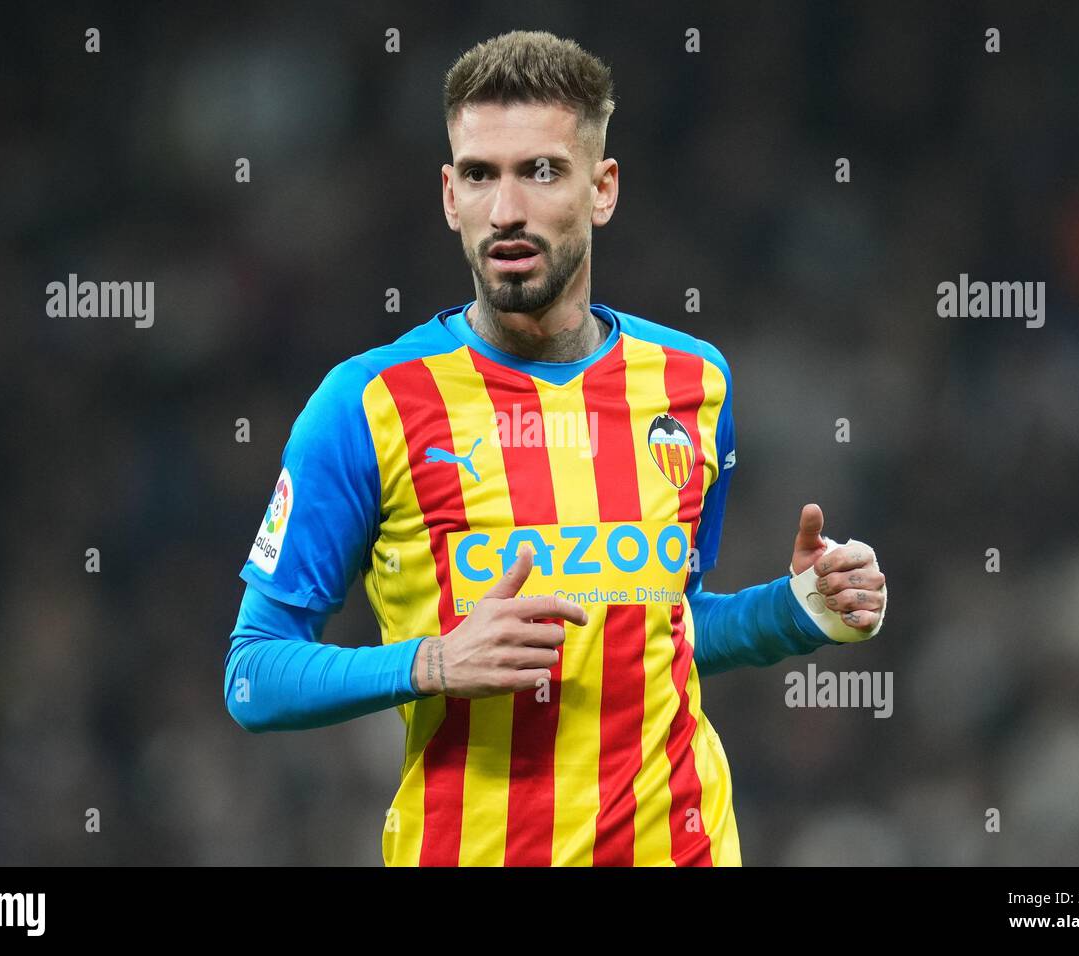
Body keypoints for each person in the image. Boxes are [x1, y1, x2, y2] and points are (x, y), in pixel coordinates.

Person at [225, 30, 887, 866]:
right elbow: (252, 676)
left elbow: (662, 627)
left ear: (602, 189)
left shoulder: (693, 383)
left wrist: (795, 612)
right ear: (449, 196)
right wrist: (431, 663)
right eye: (480, 174)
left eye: (540, 171)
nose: (507, 209)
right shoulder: (367, 405)